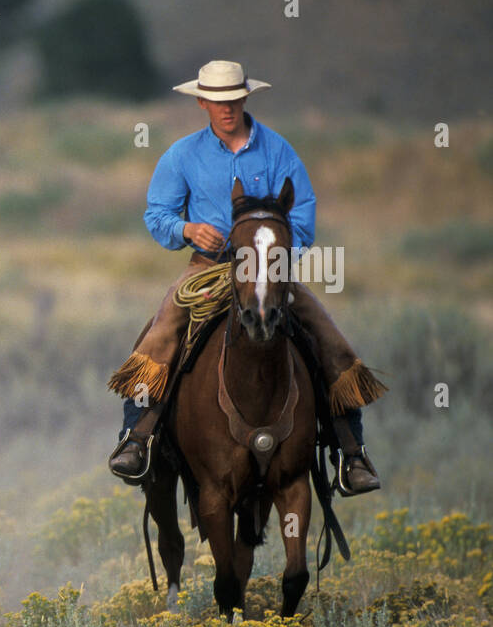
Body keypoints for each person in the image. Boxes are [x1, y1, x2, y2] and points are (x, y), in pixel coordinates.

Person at [108, 60, 384, 495]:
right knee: (162, 330)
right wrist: (187, 229)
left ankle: (351, 454)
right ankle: (137, 438)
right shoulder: (182, 155)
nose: (227, 108)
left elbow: (304, 219)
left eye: (234, 99)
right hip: (207, 268)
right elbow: (156, 214)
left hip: (268, 269)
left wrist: (271, 254)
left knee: (327, 337)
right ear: (202, 101)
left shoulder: (278, 151)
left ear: (245, 98)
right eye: (217, 100)